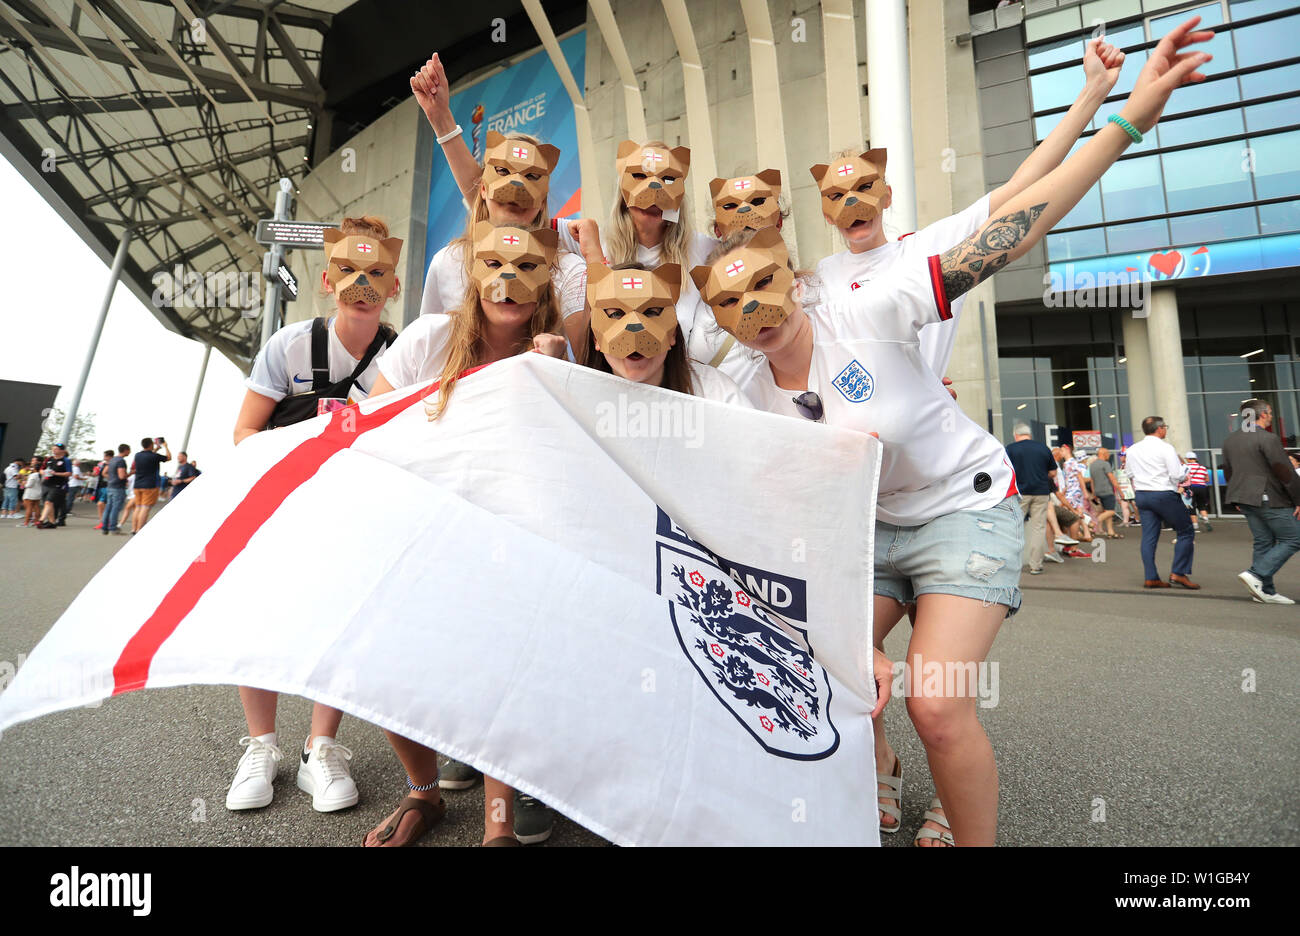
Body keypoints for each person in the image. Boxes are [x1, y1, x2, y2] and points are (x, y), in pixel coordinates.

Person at [693, 16, 1214, 846]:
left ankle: (961, 809)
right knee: (823, 675)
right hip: (865, 532)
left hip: (961, 508)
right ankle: (882, 770)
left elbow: (1015, 220)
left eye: (765, 287)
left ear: (793, 277)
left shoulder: (874, 297)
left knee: (937, 703)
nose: (752, 309)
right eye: (730, 301)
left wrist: (1121, 113)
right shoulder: (745, 387)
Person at [363, 222, 567, 847]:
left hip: (511, 536)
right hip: (420, 524)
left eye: (526, 267)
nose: (508, 280)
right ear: (474, 274)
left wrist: (554, 377)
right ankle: (424, 794)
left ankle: (497, 824)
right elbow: (370, 422)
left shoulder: (555, 354)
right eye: (494, 265)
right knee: (381, 659)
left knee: (502, 661)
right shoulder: (428, 337)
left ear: (547, 282)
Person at [813, 38, 1125, 380]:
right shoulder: (818, 280)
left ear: (887, 196)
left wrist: (1093, 91)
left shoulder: (932, 248)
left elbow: (1020, 187)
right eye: (838, 198)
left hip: (925, 426)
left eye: (864, 189)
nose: (853, 205)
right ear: (827, 215)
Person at [226, 215, 402, 815]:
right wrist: (295, 458)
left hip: (357, 511)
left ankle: (320, 748)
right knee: (263, 619)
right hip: (282, 503)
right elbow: (246, 430)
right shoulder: (289, 345)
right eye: (350, 270)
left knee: (345, 621)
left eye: (376, 272)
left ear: (394, 286)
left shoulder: (403, 356)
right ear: (327, 278)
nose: (362, 282)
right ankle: (260, 747)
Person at [409, 53, 588, 353]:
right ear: (483, 188)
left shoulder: (567, 267)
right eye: (503, 173)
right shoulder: (448, 263)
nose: (516, 189)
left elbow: (591, 360)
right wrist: (441, 120)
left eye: (531, 177)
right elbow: (425, 353)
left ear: (543, 198)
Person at [1222, 399, 1300, 605]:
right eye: (1271, 413)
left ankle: (1265, 591)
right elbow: (1284, 471)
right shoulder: (1267, 438)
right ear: (1263, 414)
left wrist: (1236, 494)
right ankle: (1256, 574)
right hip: (1268, 498)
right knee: (1293, 539)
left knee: (1263, 542)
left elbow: (1228, 470)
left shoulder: (1231, 440)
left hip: (1246, 499)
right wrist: (1298, 499)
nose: (1272, 416)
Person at [1127, 417, 1197, 589]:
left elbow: (1129, 473)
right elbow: (1175, 474)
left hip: (1142, 494)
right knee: (1186, 531)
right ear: (1159, 429)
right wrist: (1184, 474)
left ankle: (1151, 577)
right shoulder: (1165, 448)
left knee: (1149, 537)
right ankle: (1178, 573)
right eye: (1165, 427)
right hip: (1163, 493)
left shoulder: (1133, 449)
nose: (1166, 430)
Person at [1005, 424, 1057, 575]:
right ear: (1029, 435)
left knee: (1013, 527)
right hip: (1041, 492)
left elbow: (1005, 471)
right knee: (1038, 528)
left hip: (1019, 493)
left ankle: (1011, 564)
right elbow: (1053, 472)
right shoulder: (1043, 448)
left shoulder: (1010, 449)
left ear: (1016, 435)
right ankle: (1035, 565)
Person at [127, 437, 171, 533]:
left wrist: (155, 449)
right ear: (151, 445)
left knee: (138, 507)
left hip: (137, 485)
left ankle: (134, 528)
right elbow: (168, 457)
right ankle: (139, 529)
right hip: (150, 485)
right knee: (145, 508)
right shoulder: (154, 456)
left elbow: (149, 456)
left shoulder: (137, 455)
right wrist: (165, 446)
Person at [1088, 447, 1121, 538]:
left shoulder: (1092, 465)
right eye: (1107, 453)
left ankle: (1111, 532)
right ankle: (1092, 523)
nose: (1109, 455)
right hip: (1107, 491)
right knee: (1111, 511)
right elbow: (1112, 478)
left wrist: (1094, 493)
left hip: (1098, 492)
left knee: (1106, 511)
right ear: (1102, 454)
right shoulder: (1105, 464)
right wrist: (1120, 491)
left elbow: (1092, 481)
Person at [36, 444, 72, 529]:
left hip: (58, 485)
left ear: (62, 451)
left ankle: (41, 520)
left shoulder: (66, 460)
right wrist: (44, 472)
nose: (54, 450)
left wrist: (55, 473)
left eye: (56, 449)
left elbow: (69, 473)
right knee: (48, 503)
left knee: (48, 502)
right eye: (53, 449)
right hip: (46, 483)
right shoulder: (49, 459)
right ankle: (52, 522)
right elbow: (41, 469)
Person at [102, 444, 129, 536]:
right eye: (129, 450)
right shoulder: (121, 461)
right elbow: (122, 476)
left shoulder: (112, 460)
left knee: (108, 507)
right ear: (125, 450)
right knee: (115, 508)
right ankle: (113, 528)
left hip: (110, 486)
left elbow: (104, 472)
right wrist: (130, 474)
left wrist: (111, 478)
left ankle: (105, 527)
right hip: (118, 487)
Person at [1182, 451, 1212, 531]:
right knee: (1202, 505)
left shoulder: (1185, 467)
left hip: (1190, 488)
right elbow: (1207, 479)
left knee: (1191, 507)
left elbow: (1182, 478)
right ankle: (1206, 520)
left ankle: (1195, 526)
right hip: (1202, 488)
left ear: (1188, 459)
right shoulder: (1202, 467)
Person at [1114, 451, 1137, 527]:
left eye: (1123, 455)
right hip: (1125, 488)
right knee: (1125, 504)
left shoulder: (1131, 465)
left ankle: (1138, 519)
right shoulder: (1122, 465)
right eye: (1120, 455)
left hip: (1133, 487)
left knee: (1135, 504)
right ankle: (1126, 520)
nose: (1121, 457)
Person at [19, 457, 43, 527]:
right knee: (37, 507)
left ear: (35, 468)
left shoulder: (33, 475)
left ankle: (26, 523)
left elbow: (29, 485)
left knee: (29, 508)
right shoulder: (41, 475)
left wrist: (23, 483)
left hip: (30, 493)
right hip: (38, 492)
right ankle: (36, 521)